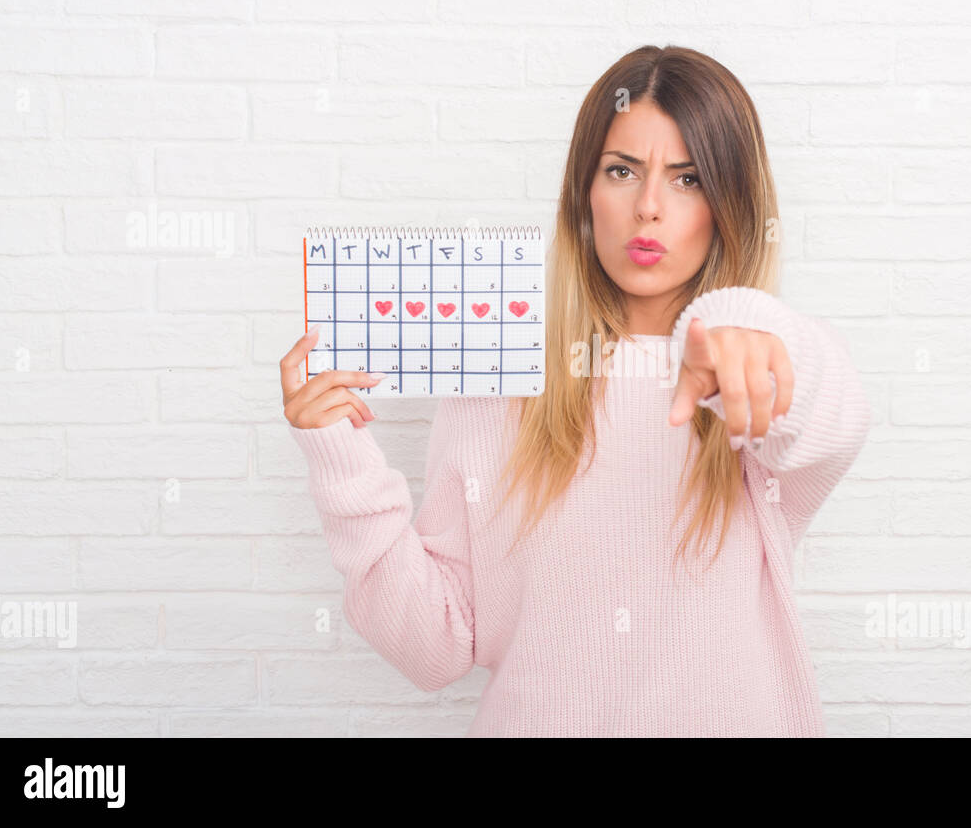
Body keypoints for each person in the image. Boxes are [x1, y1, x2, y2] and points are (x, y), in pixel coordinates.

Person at [278, 45, 871, 737]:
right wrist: (343, 461)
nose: (648, 208)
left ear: (730, 206)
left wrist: (748, 329)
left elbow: (835, 414)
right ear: (583, 192)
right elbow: (434, 648)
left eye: (688, 179)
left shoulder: (758, 391)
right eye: (622, 170)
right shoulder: (497, 379)